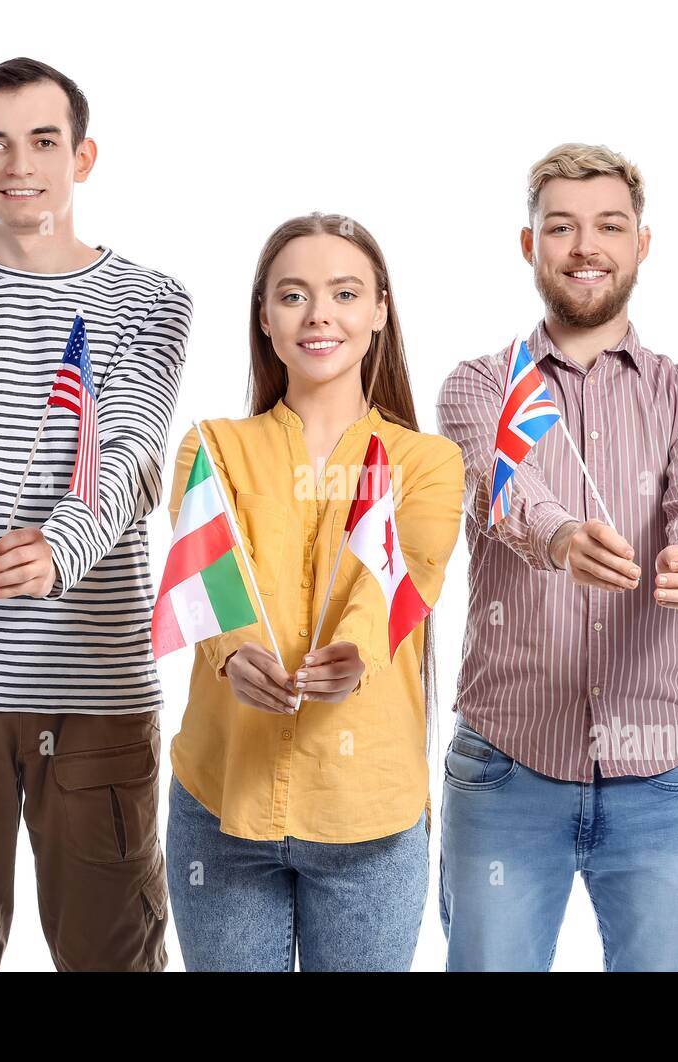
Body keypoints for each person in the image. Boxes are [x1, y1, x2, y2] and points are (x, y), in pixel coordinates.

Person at [0, 57, 192, 971]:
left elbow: (132, 454)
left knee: (112, 956)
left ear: (82, 157)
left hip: (94, 686)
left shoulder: (150, 299)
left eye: (44, 142)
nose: (21, 164)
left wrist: (59, 550)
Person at [435, 143, 678, 971]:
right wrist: (563, 539)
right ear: (529, 244)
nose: (585, 247)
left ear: (642, 244)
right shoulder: (479, 386)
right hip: (507, 766)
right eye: (561, 226)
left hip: (664, 771)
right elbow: (501, 495)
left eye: (609, 225)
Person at [163, 213, 464, 971]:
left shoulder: (427, 461)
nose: (319, 314)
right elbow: (207, 575)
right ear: (265, 318)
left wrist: (354, 651)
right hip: (222, 807)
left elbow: (399, 575)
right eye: (293, 296)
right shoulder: (212, 448)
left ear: (379, 312)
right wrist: (236, 653)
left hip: (369, 816)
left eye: (344, 293)